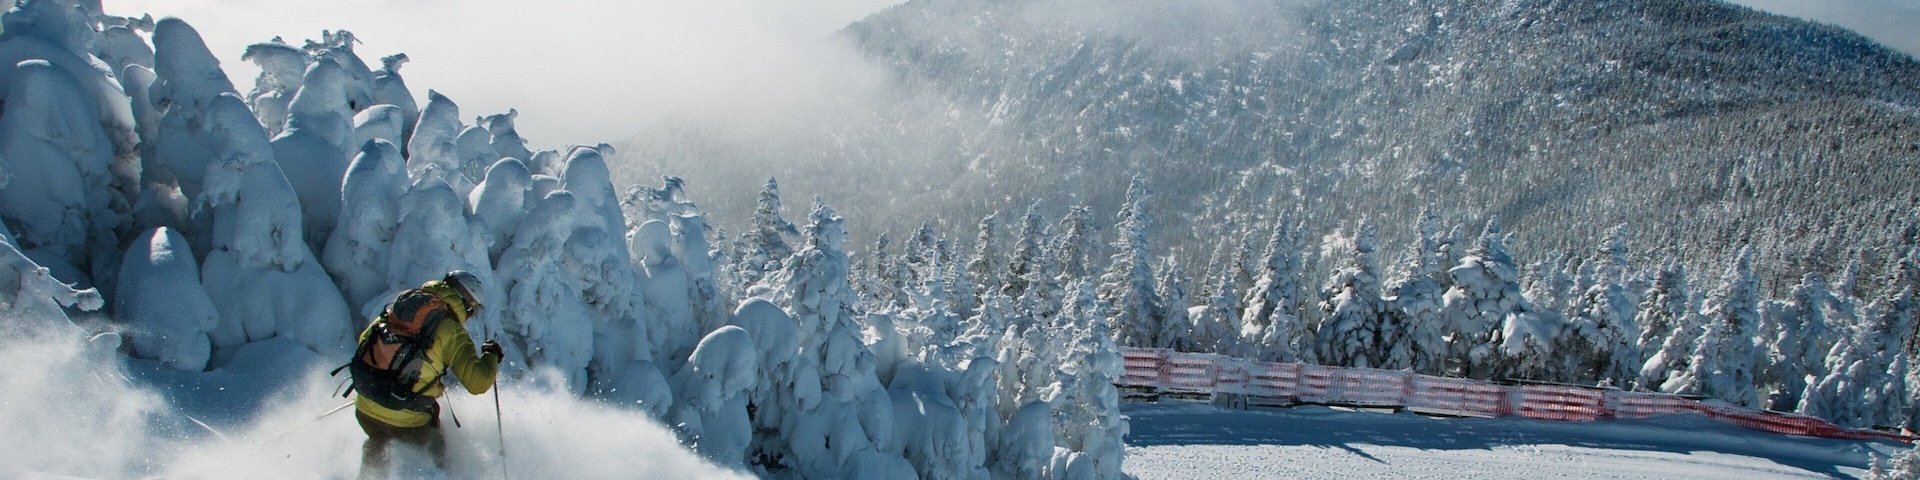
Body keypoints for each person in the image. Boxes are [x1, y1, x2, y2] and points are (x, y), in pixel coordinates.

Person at [348, 271, 502, 477]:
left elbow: (365, 341)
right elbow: (479, 383)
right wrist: (491, 355)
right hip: (408, 418)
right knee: (435, 444)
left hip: (365, 407)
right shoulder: (451, 330)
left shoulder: (400, 308)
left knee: (377, 440)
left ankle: (369, 476)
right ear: (468, 305)